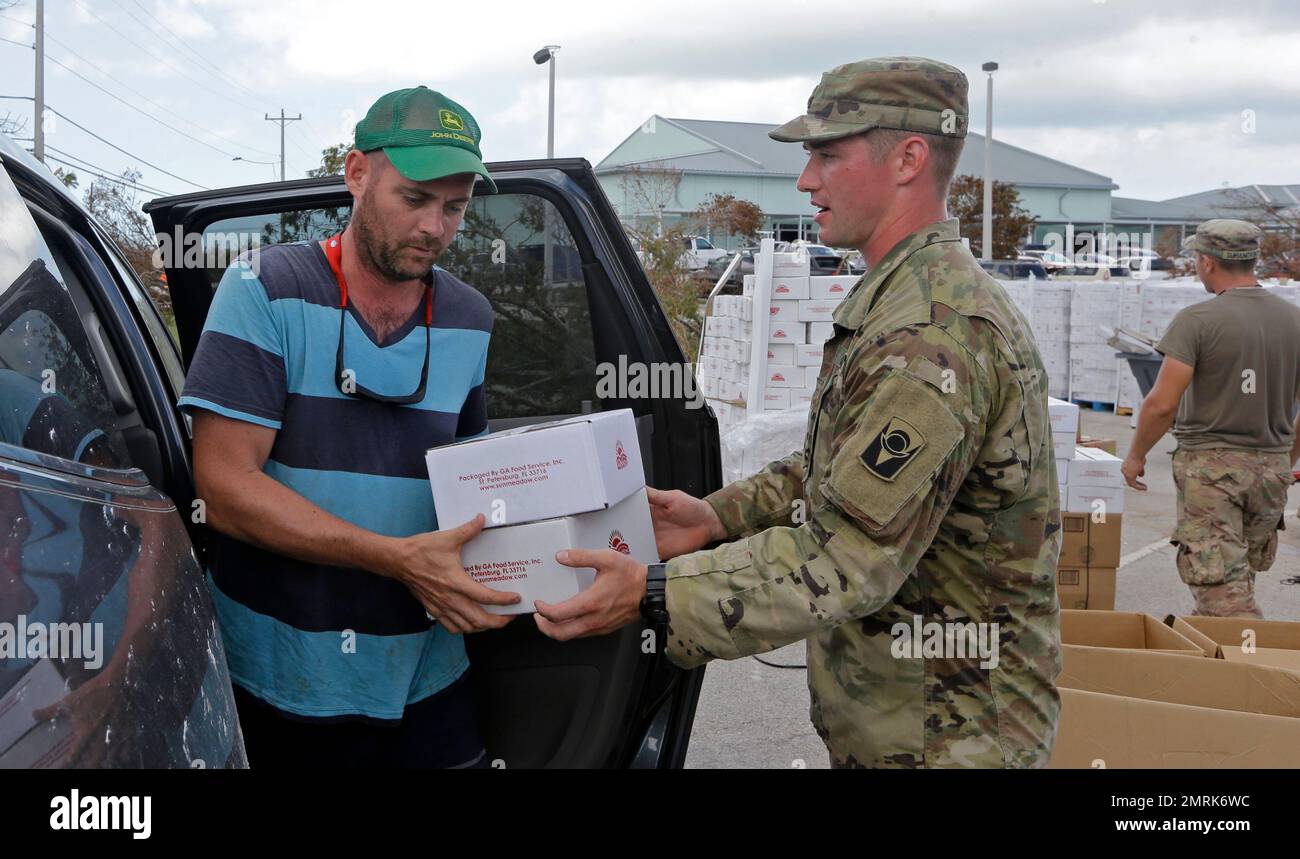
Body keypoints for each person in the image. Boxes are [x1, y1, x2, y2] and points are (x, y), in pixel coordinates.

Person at [533, 57, 1062, 768]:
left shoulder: (933, 333)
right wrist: (717, 516)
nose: (805, 178)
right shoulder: (903, 301)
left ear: (908, 158)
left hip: (950, 739)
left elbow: (845, 557)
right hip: (915, 725)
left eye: (827, 154)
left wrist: (654, 594)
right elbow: (841, 475)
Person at [180, 86, 517, 768]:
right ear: (358, 174)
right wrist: (392, 557)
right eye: (416, 199)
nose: (435, 227)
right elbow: (223, 484)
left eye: (454, 207)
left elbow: (472, 478)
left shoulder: (471, 318)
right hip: (283, 673)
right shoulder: (264, 290)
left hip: (427, 669)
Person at [1122, 219, 1300, 618]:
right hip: (1270, 471)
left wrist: (1136, 455)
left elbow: (1161, 404)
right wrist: (1285, 460)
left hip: (1212, 471)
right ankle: (1213, 667)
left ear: (1206, 262)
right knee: (1235, 577)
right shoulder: (1294, 320)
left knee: (1223, 595)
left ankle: (1256, 670)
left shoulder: (1197, 321)